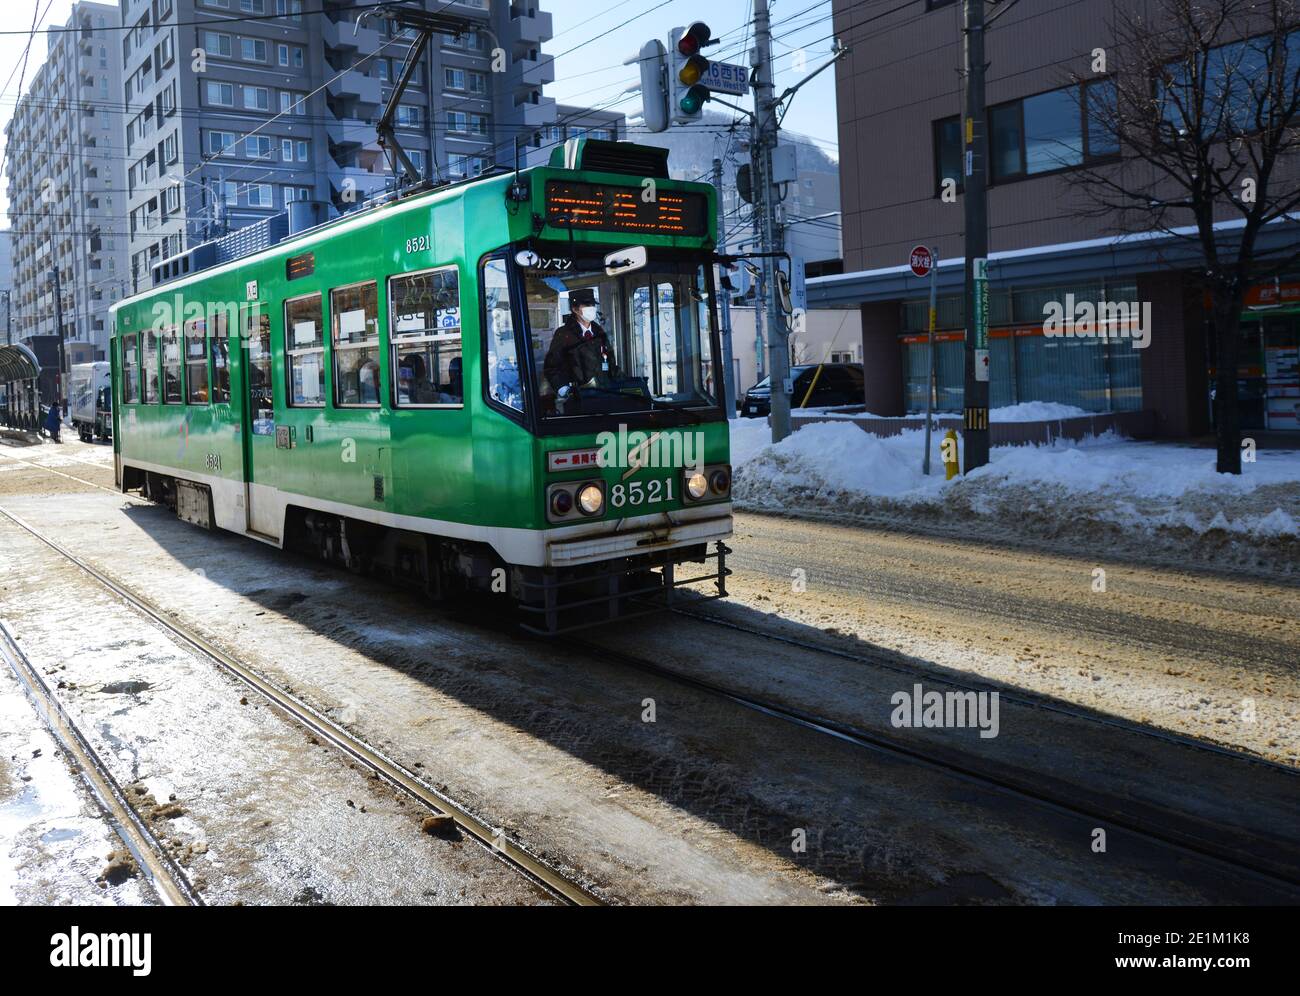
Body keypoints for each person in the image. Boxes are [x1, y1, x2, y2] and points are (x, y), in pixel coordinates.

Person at [543, 288, 617, 398]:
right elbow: (551, 368)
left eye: (592, 304)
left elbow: (610, 362)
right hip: (578, 396)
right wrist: (565, 390)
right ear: (575, 309)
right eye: (586, 305)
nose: (591, 308)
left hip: (604, 393)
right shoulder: (564, 334)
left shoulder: (599, 332)